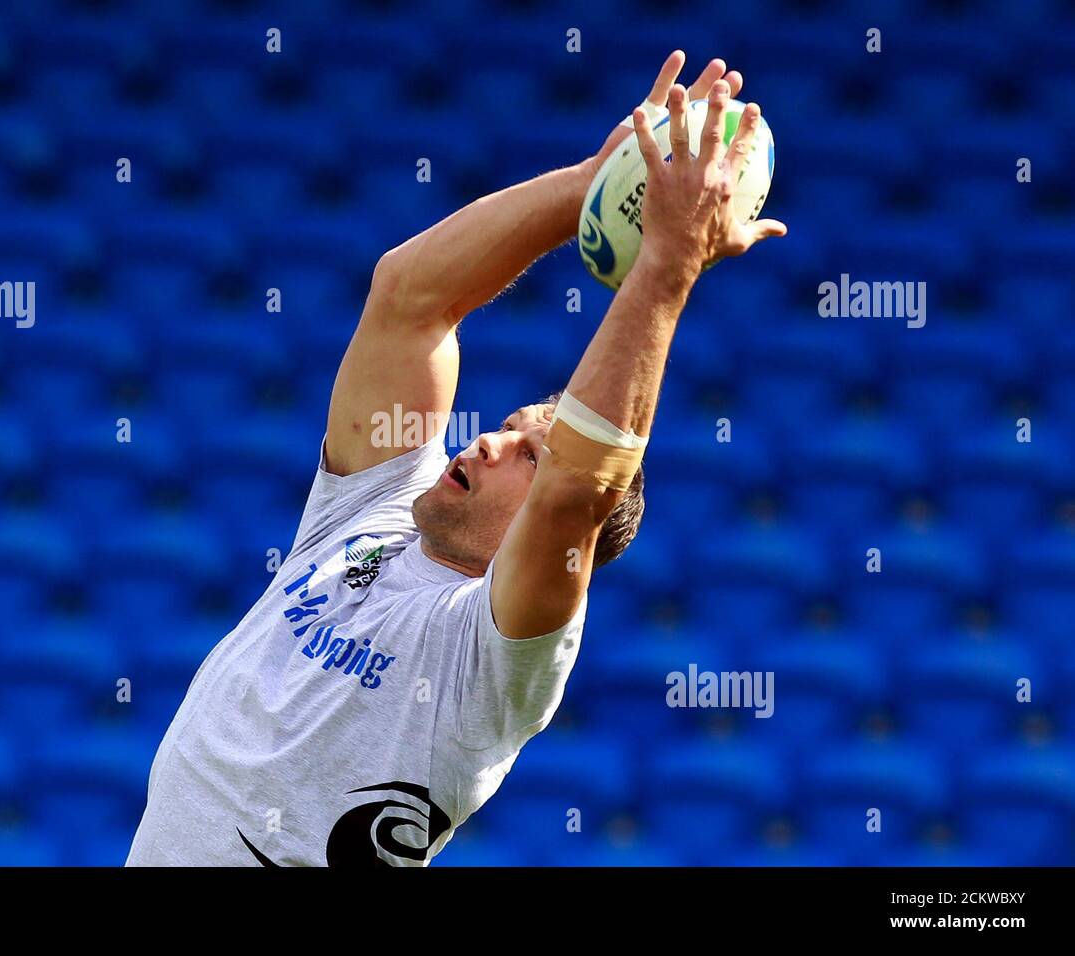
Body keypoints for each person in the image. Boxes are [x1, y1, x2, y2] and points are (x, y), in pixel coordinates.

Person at [127, 50, 787, 866]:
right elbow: (409, 300)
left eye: (528, 453)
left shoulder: (499, 654)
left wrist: (670, 260)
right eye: (508, 424)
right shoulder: (372, 509)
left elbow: (582, 485)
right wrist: (594, 182)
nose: (491, 439)